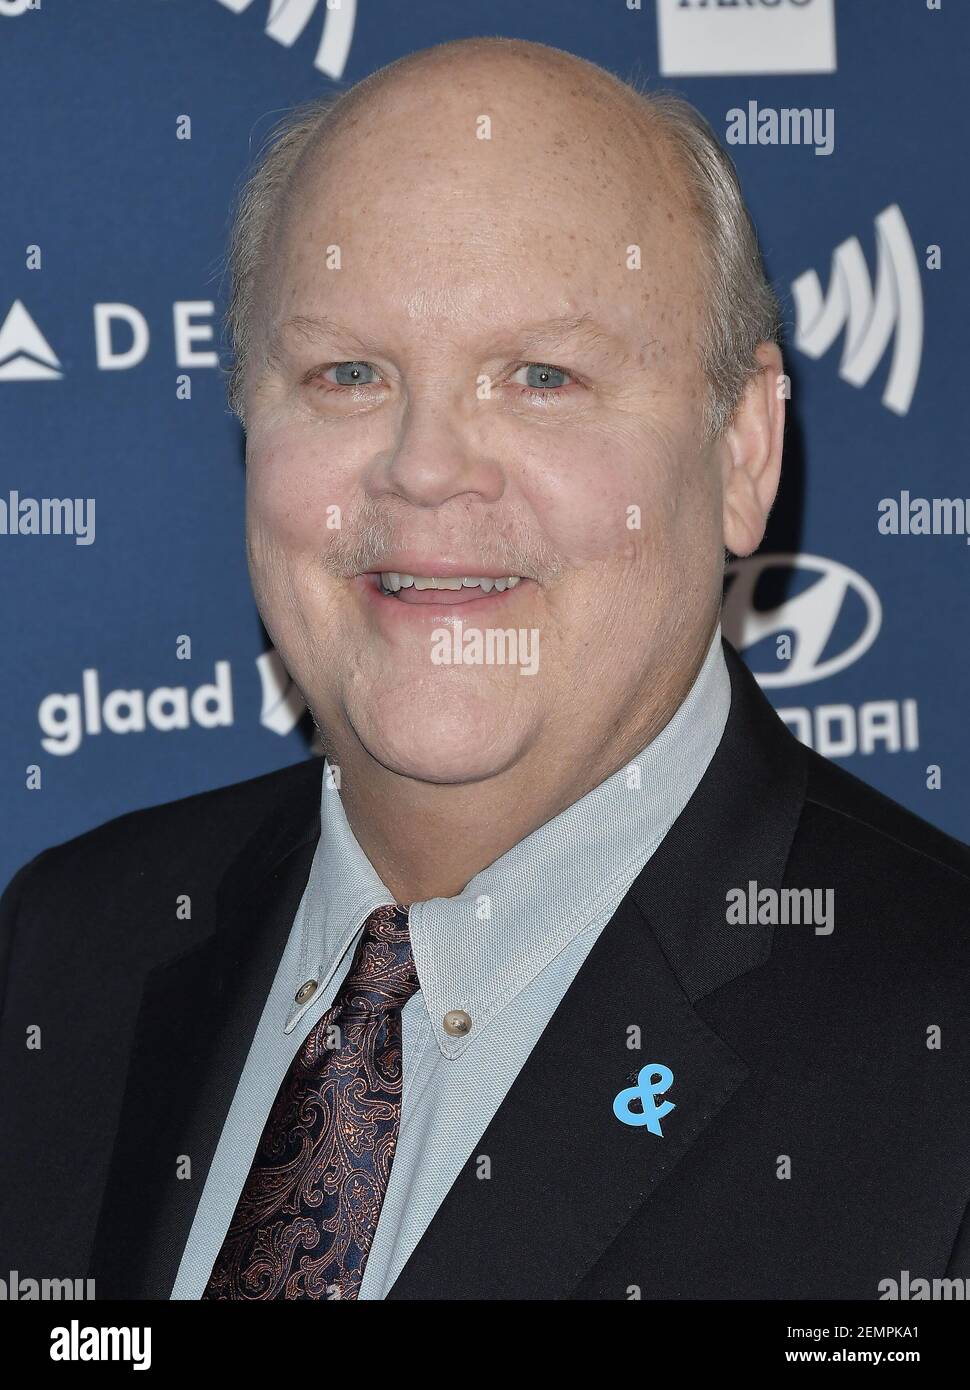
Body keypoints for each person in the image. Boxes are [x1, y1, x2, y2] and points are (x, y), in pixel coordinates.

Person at [1, 36, 968, 1302]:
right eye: (348, 372)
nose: (425, 466)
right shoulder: (67, 948)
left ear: (742, 449)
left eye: (542, 376)